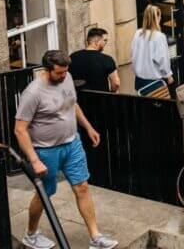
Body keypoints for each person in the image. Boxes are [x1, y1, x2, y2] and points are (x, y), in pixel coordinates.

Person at [15, 50, 118, 249]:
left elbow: (73, 104)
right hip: (46, 151)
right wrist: (34, 160)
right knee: (44, 193)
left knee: (82, 187)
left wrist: (88, 128)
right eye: (59, 73)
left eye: (65, 72)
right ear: (47, 70)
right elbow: (20, 130)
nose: (63, 76)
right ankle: (31, 234)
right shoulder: (33, 92)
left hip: (72, 144)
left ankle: (95, 237)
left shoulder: (68, 77)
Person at [130, 6, 174, 94]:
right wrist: (168, 75)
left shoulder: (137, 33)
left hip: (139, 81)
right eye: (160, 16)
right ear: (157, 18)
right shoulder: (159, 36)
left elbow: (133, 54)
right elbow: (162, 59)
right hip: (154, 82)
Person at [68, 28, 118, 93]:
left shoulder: (73, 56)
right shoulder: (107, 59)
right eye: (104, 40)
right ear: (97, 42)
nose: (106, 43)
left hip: (79, 99)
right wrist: (111, 93)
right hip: (101, 99)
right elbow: (116, 83)